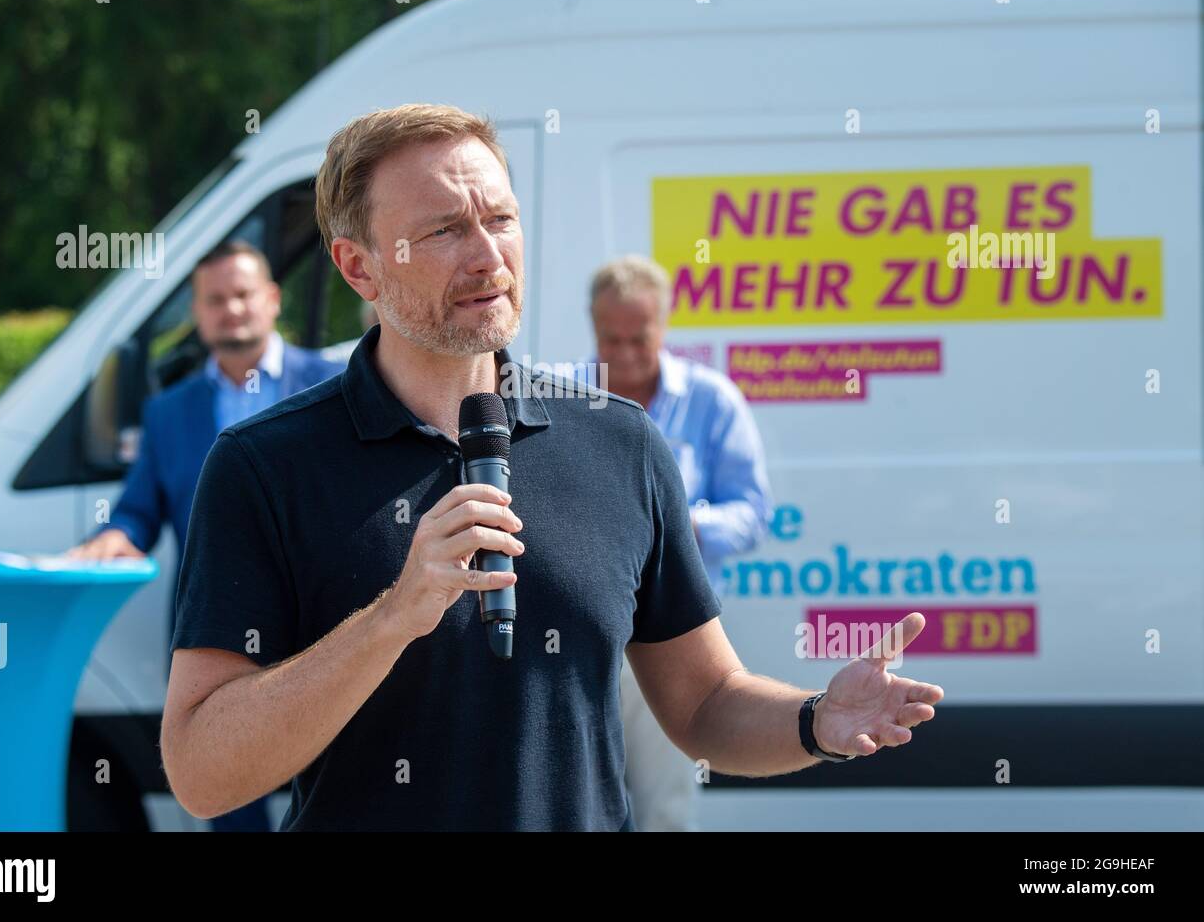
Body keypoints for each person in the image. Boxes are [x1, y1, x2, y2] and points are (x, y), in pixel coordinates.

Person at [159, 103, 944, 831]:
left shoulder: (620, 440)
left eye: (500, 218)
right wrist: (393, 617)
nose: (486, 255)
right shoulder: (263, 466)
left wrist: (816, 721)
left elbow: (703, 702)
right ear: (359, 268)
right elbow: (200, 771)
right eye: (442, 231)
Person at [68, 239, 343, 831]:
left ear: (272, 300)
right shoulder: (169, 412)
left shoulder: (334, 385)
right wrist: (112, 539)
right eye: (215, 300)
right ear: (198, 313)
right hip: (217, 634)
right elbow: (138, 511)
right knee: (230, 801)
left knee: (335, 789)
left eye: (243, 295)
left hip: (322, 621)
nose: (232, 310)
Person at [587, 253, 773, 831]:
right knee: (573, 802)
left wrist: (678, 521)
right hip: (578, 635)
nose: (622, 353)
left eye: (637, 337)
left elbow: (753, 513)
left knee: (665, 808)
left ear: (663, 326)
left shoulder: (711, 400)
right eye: (609, 337)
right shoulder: (561, 397)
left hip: (672, 636)